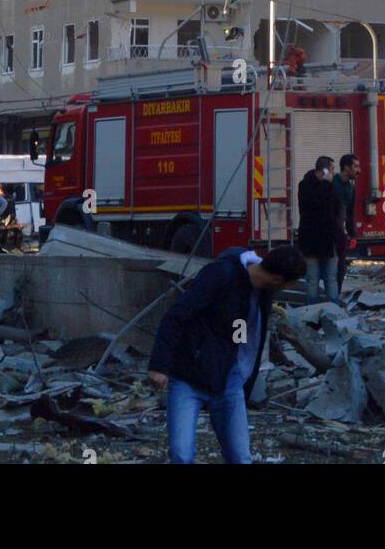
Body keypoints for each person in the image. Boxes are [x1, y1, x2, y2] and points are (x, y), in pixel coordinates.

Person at [147, 245, 306, 464]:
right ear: (279, 279)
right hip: (189, 376)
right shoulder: (221, 275)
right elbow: (177, 315)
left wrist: (244, 378)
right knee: (182, 455)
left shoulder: (262, 294)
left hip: (229, 380)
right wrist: (159, 365)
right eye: (290, 284)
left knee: (240, 457)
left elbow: (244, 334)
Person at [296, 156, 339, 304]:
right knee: (313, 278)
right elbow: (314, 205)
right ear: (324, 170)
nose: (334, 173)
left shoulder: (330, 186)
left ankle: (333, 308)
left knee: (330, 278)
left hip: (327, 238)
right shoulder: (305, 185)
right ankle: (312, 310)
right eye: (332, 169)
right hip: (312, 238)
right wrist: (326, 184)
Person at [332, 154, 360, 292]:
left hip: (341, 234)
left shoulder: (351, 188)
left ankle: (335, 296)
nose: (358, 170)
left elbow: (350, 212)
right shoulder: (332, 183)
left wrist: (352, 234)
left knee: (341, 268)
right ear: (346, 167)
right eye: (355, 166)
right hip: (329, 232)